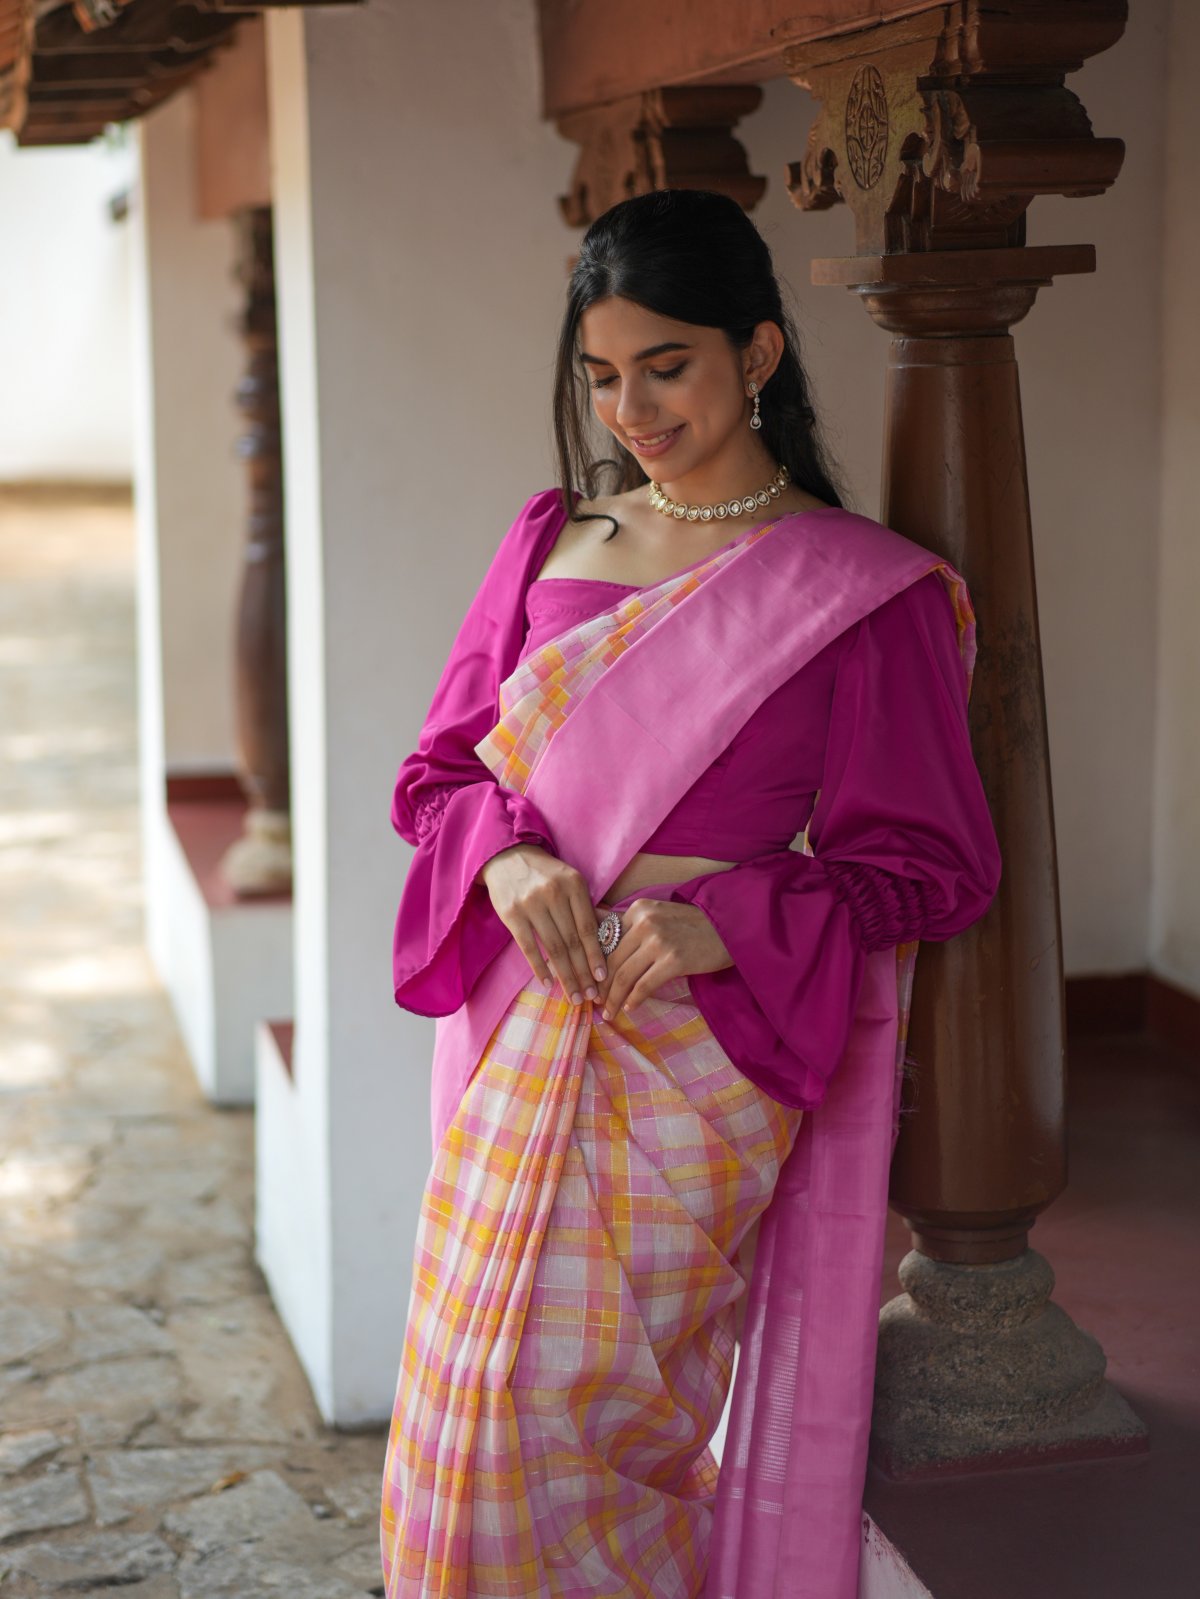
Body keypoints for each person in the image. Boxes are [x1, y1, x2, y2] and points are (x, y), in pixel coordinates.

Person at [379, 189, 1001, 1599]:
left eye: (667, 364)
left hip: (694, 1052)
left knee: (581, 1405)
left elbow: (933, 866)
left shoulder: (860, 592)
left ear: (760, 354)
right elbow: (434, 777)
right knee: (463, 1407)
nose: (631, 409)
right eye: (603, 376)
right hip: (514, 1021)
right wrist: (510, 852)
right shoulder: (552, 541)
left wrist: (727, 921)